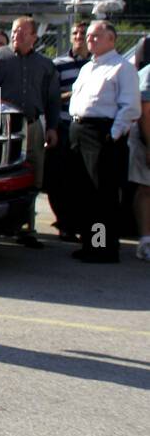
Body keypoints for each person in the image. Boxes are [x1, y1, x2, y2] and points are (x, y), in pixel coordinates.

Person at [0, 16, 61, 249]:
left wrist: (52, 127)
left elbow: (52, 99)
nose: (16, 35)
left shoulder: (45, 65)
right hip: (0, 128)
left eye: (23, 32)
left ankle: (26, 228)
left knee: (32, 177)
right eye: (14, 31)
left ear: (34, 36)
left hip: (32, 127)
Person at [67, 20, 141, 264]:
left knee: (102, 194)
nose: (90, 39)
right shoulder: (88, 67)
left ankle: (104, 248)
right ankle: (90, 242)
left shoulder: (122, 68)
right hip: (80, 129)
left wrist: (114, 133)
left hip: (102, 134)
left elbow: (130, 106)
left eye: (96, 36)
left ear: (112, 39)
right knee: (84, 190)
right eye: (88, 36)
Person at [51, 21, 91, 240]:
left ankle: (84, 225)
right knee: (61, 179)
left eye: (83, 33)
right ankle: (64, 224)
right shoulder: (58, 64)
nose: (79, 36)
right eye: (75, 33)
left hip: (87, 129)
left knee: (83, 178)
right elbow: (52, 97)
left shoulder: (97, 65)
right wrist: (74, 94)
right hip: (64, 125)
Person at [125, 37, 150, 261]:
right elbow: (145, 110)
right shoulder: (148, 73)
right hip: (145, 139)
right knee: (145, 189)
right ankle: (145, 240)